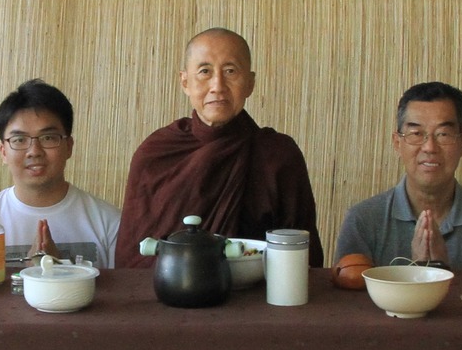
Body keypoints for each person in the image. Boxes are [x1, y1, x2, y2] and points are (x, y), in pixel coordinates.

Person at [114, 28, 322, 268]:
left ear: (250, 83)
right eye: (205, 71)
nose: (218, 86)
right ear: (185, 82)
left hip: (258, 287)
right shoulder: (157, 153)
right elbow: (133, 256)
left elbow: (301, 254)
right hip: (172, 287)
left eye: (230, 71)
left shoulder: (278, 154)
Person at [334, 82, 462, 290]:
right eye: (416, 133)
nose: (429, 147)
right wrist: (417, 274)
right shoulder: (363, 220)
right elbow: (347, 303)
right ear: (397, 142)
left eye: (443, 134)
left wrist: (440, 271)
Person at [0, 79, 121, 268]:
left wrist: (59, 271)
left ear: (69, 146)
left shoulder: (109, 222)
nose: (34, 151)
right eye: (19, 139)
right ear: (3, 152)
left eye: (48, 138)